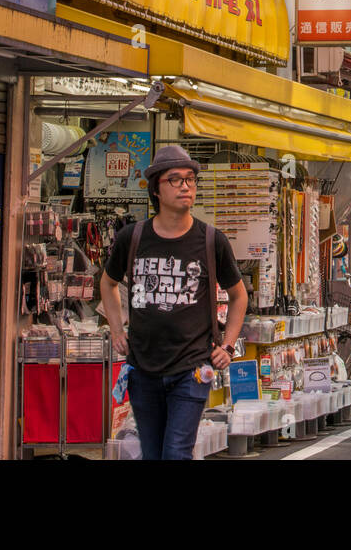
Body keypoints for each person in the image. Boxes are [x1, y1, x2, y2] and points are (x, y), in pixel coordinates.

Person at [100, 145, 248, 460]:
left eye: (191, 179)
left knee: (176, 453)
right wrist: (116, 330)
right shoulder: (132, 237)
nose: (185, 186)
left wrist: (229, 346)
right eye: (175, 179)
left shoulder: (211, 240)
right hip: (142, 368)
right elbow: (108, 283)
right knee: (153, 454)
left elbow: (238, 295)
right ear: (156, 189)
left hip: (191, 369)